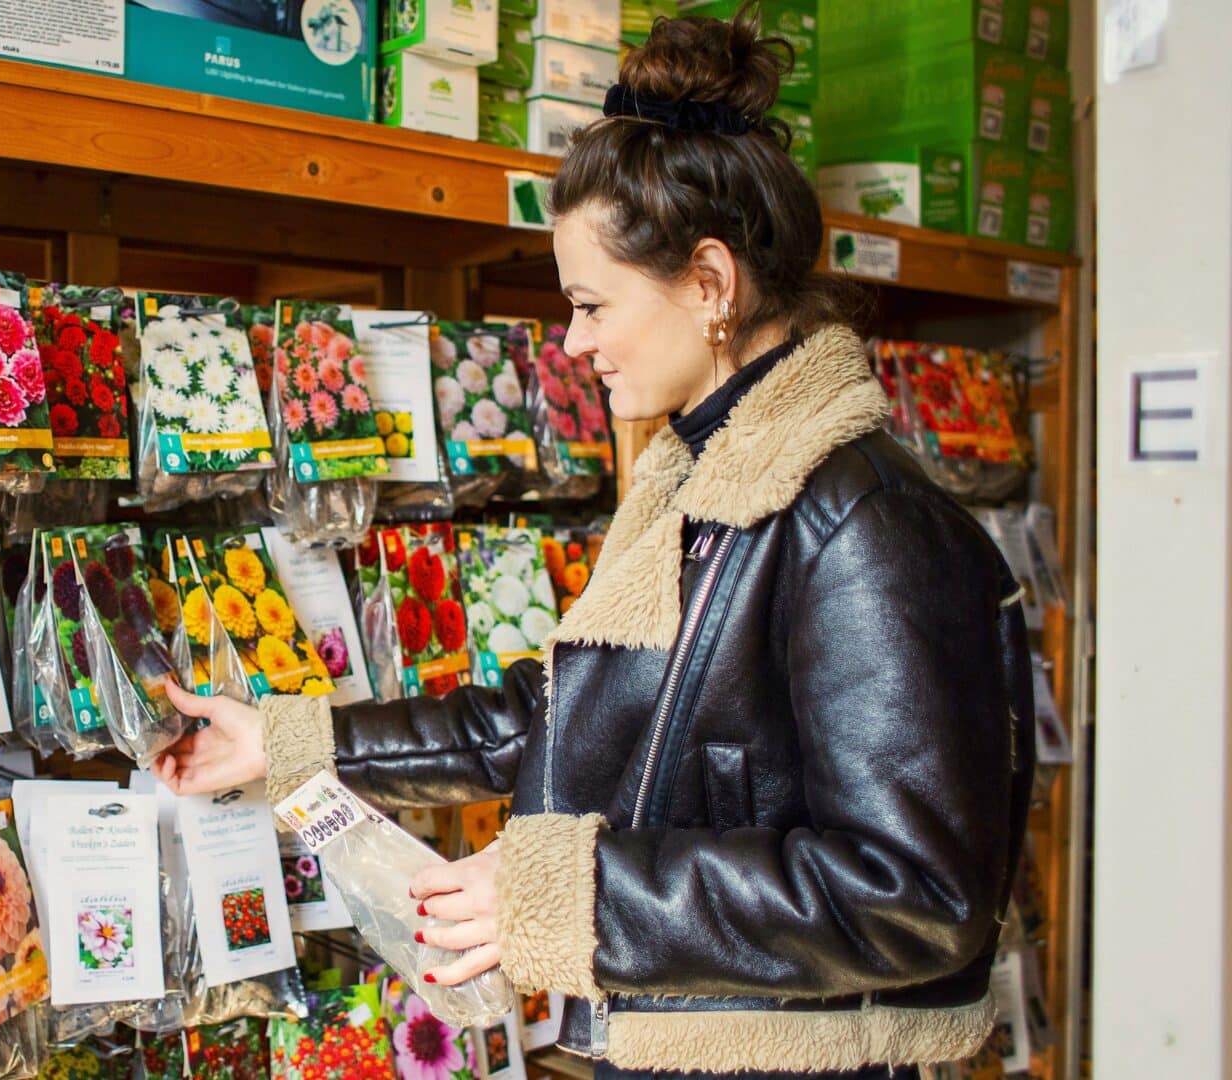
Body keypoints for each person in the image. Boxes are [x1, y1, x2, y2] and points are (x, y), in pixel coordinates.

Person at [150, 7, 1034, 1080]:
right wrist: (289, 746)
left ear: (709, 284)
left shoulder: (862, 525)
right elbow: (563, 721)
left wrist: (575, 896)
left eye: (591, 304)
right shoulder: (704, 486)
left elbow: (915, 895)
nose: (573, 344)